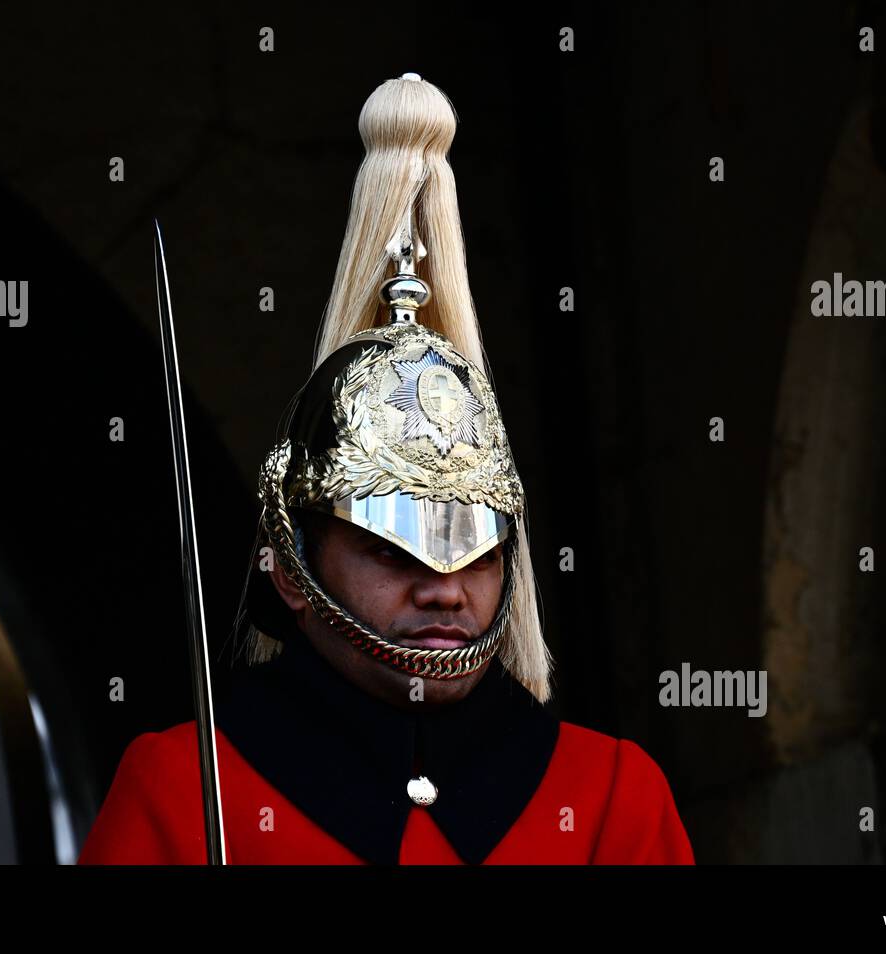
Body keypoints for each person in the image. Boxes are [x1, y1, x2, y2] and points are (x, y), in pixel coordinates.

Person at [78, 73, 693, 866]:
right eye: (392, 546)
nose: (445, 585)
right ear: (294, 569)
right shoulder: (181, 790)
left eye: (476, 547)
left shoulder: (612, 794)